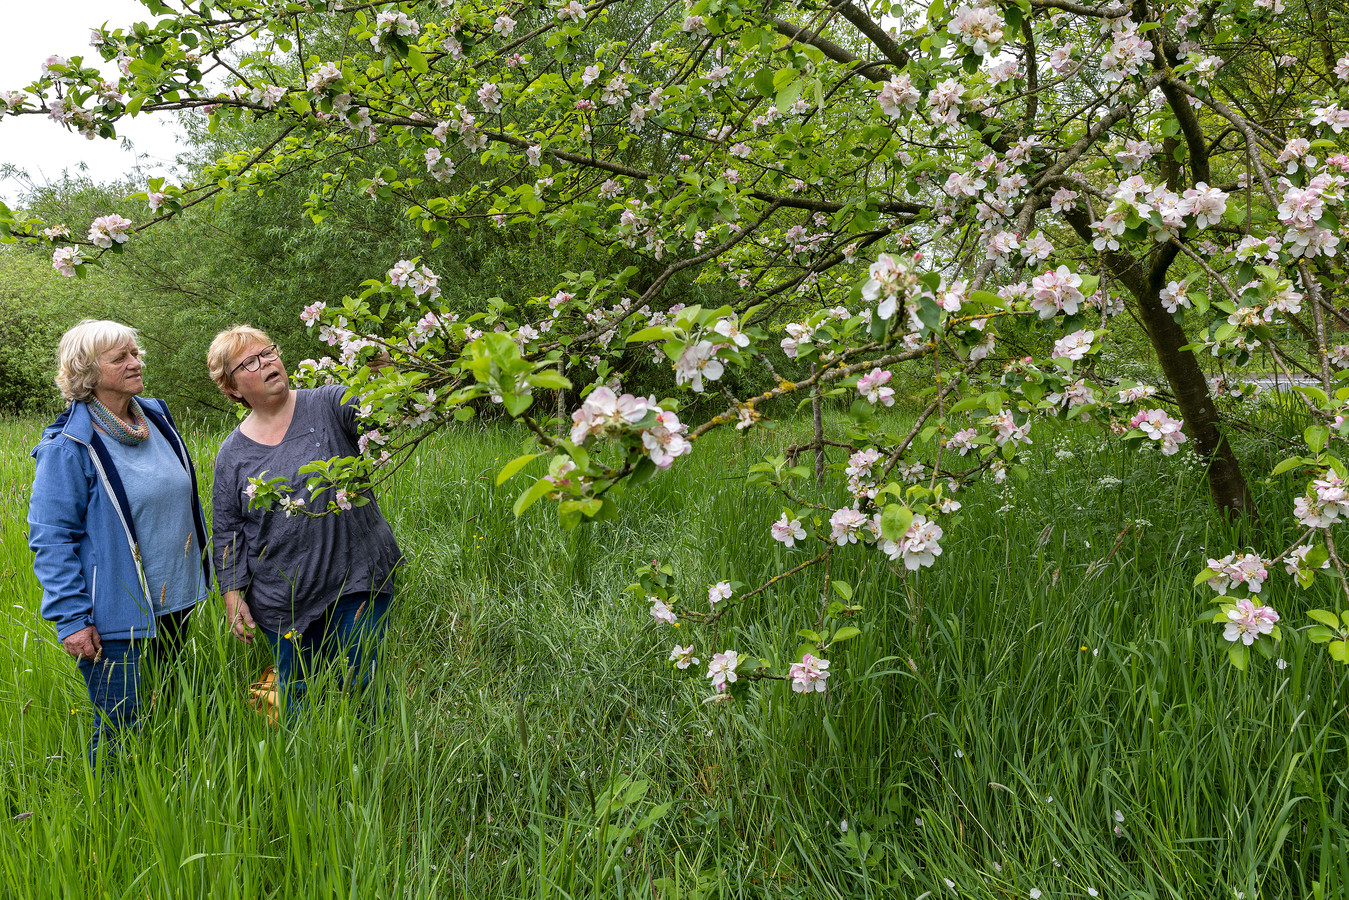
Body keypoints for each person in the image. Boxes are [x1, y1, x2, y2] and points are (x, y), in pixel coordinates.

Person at [28, 320, 211, 767]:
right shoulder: (68, 446)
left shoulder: (156, 416)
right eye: (121, 358)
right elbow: (51, 538)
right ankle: (108, 817)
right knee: (119, 727)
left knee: (168, 710)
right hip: (115, 617)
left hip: (174, 603)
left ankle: (166, 794)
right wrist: (71, 618)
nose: (136, 362)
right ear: (87, 371)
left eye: (135, 352)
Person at [207, 325, 402, 715]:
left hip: (356, 579)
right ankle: (305, 772)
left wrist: (382, 371)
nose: (266, 363)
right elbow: (227, 530)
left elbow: (380, 415)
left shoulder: (329, 403)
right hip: (282, 601)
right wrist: (232, 596)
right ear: (232, 388)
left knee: (365, 687)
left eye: (268, 352)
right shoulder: (232, 453)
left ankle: (376, 769)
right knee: (297, 701)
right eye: (249, 362)